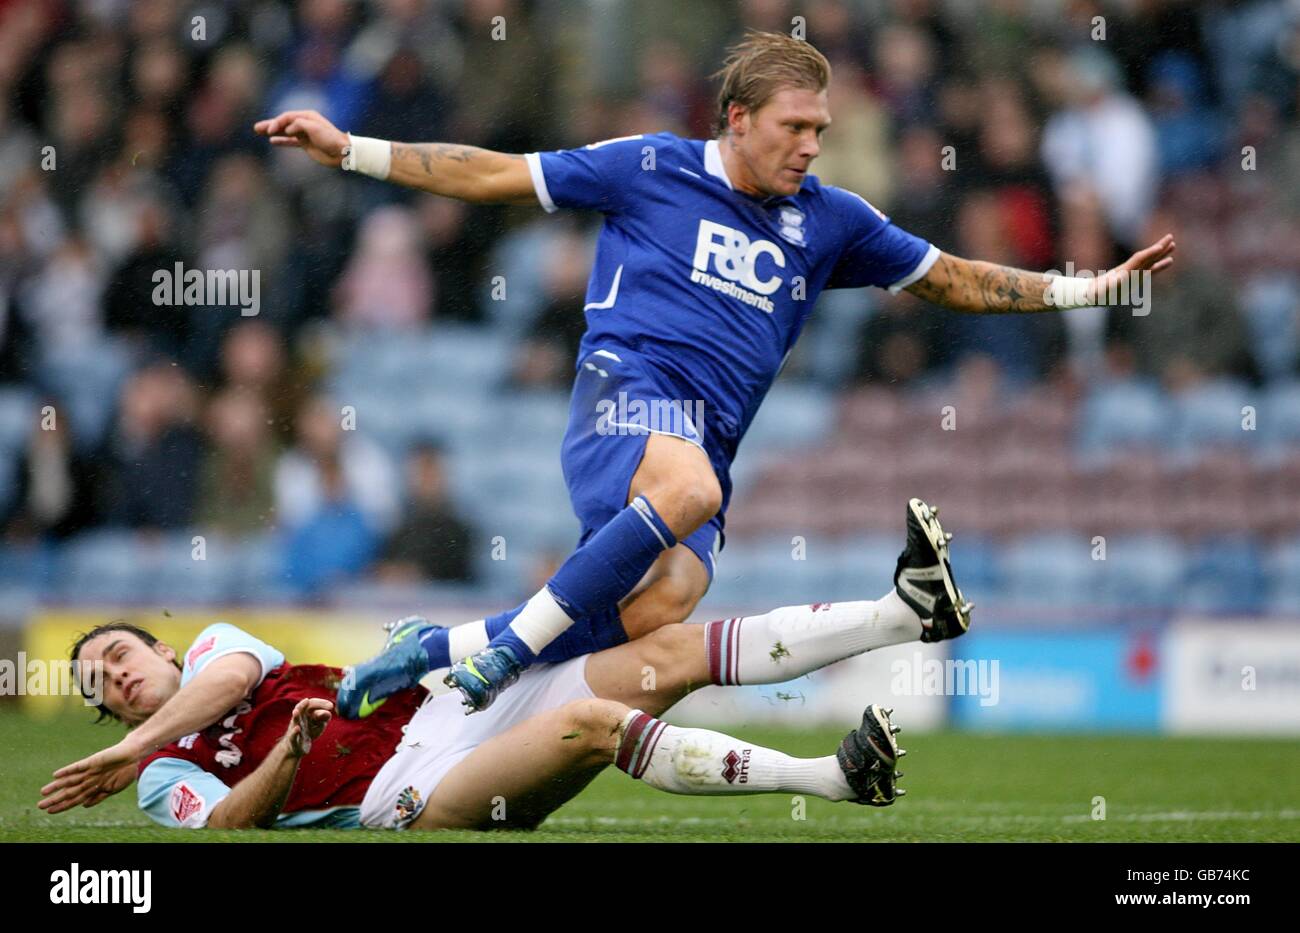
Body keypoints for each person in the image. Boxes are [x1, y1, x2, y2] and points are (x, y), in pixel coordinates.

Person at [255, 31, 1174, 714]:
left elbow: (953, 279)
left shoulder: (834, 221)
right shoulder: (646, 166)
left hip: (706, 442)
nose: (812, 145)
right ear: (738, 120)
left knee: (671, 601)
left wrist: (1081, 290)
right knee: (688, 485)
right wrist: (351, 151)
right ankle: (502, 660)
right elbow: (489, 173)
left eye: (822, 128)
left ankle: (444, 645)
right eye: (795, 127)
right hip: (622, 397)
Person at [42, 518, 972, 829]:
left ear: (160, 650)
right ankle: (833, 778)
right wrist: (285, 757)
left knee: (667, 652)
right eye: (96, 684)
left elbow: (230, 675)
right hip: (402, 788)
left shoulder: (209, 658)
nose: (114, 677)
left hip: (442, 703)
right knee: (594, 728)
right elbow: (231, 828)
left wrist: (129, 744)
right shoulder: (163, 779)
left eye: (118, 656)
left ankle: (904, 613)